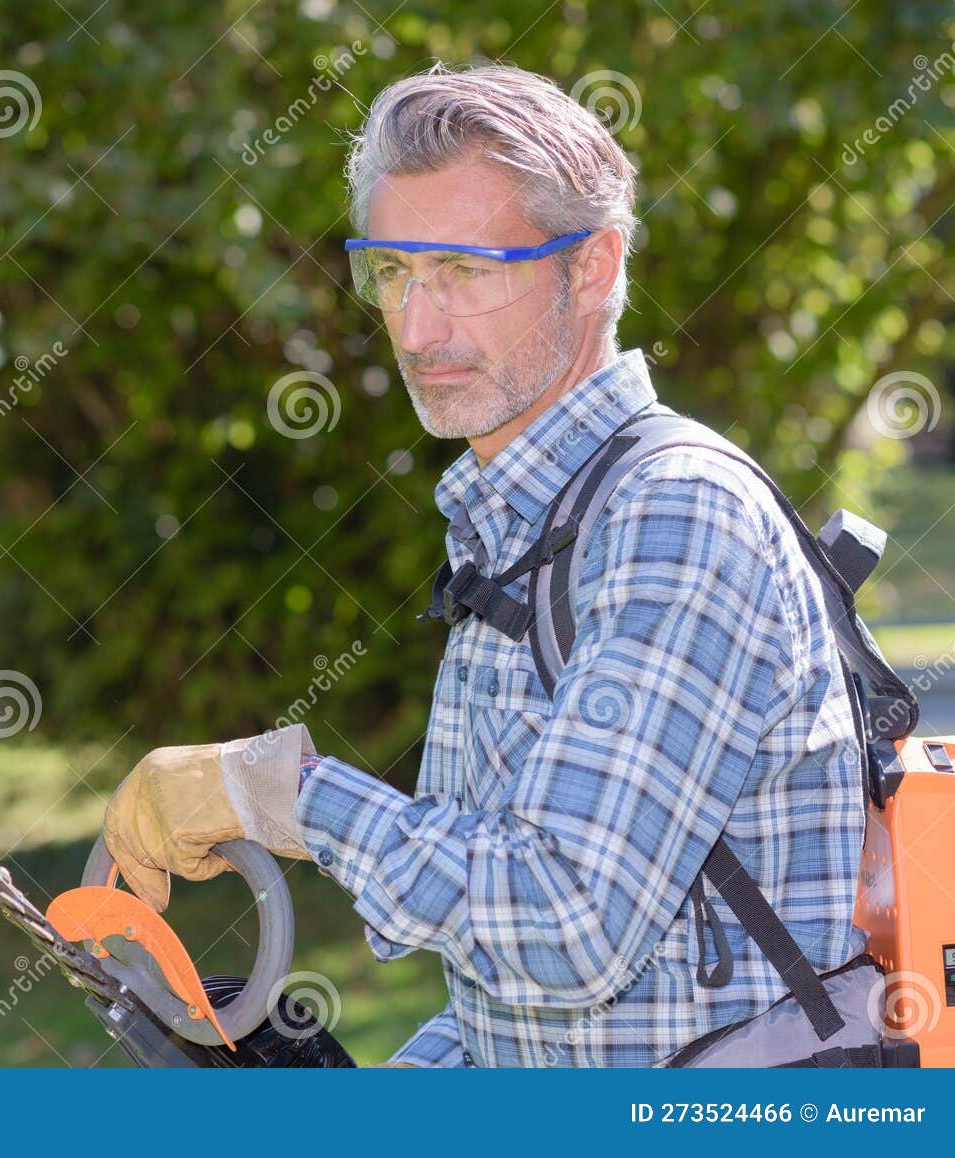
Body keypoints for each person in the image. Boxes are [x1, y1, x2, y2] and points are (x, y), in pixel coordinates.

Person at [101, 62, 868, 1067]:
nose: (418, 329)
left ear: (590, 268)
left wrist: (276, 793)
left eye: (464, 270)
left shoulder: (675, 515)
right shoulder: (520, 525)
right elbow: (519, 1002)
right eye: (392, 272)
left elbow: (567, 923)